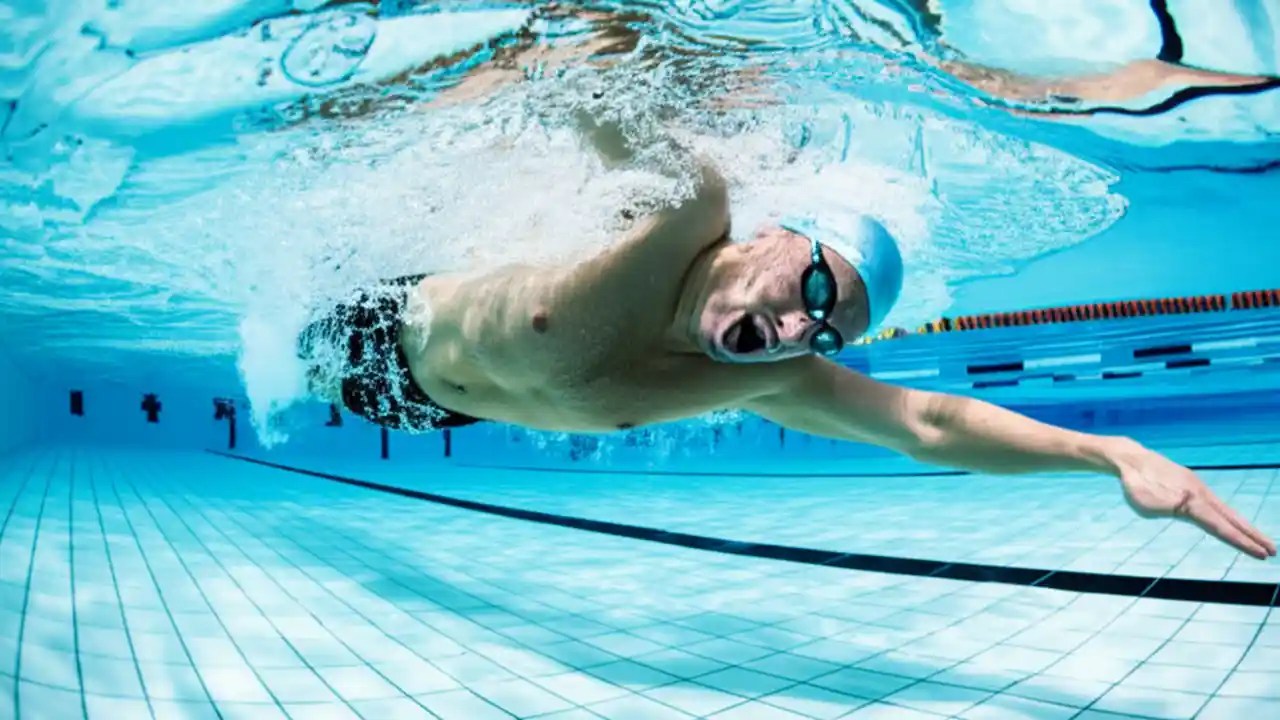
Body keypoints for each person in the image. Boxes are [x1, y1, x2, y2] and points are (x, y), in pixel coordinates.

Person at [296, 15, 1276, 562]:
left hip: (423, 410)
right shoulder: (686, 209)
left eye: (826, 331)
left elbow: (925, 423)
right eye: (815, 282)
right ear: (771, 234)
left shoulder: (757, 377)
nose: (802, 325)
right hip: (370, 324)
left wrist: (1103, 454)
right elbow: (586, 43)